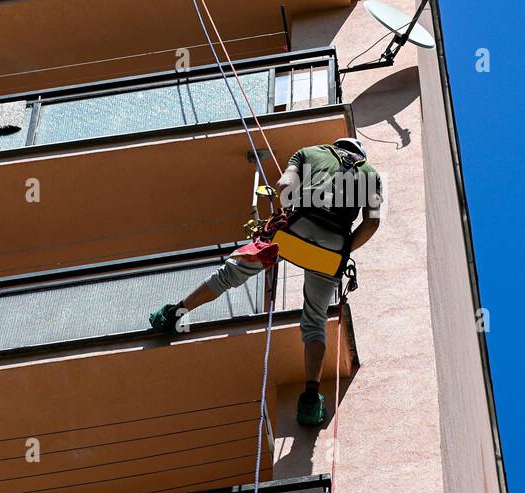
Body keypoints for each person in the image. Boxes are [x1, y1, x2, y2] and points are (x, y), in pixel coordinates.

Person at [149, 136, 382, 425]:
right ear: (359, 154)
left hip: (294, 229)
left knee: (231, 273)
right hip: (332, 247)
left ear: (336, 146)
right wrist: (344, 250)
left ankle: (175, 313)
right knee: (315, 320)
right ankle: (310, 398)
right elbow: (371, 223)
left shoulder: (307, 151)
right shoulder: (371, 174)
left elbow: (285, 187)